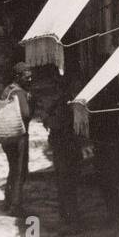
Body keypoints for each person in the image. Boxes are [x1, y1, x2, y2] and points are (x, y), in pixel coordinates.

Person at [44, 87, 83, 229]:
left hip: (67, 150)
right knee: (64, 186)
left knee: (67, 187)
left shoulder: (69, 104)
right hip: (64, 150)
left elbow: (57, 122)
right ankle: (67, 219)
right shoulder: (63, 101)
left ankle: (72, 222)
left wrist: (48, 119)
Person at [0, 65, 33, 217]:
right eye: (27, 77)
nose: (30, 79)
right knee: (20, 171)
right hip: (19, 137)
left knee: (12, 168)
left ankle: (7, 200)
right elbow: (26, 114)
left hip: (7, 136)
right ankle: (16, 205)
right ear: (18, 76)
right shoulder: (20, 93)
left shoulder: (7, 90)